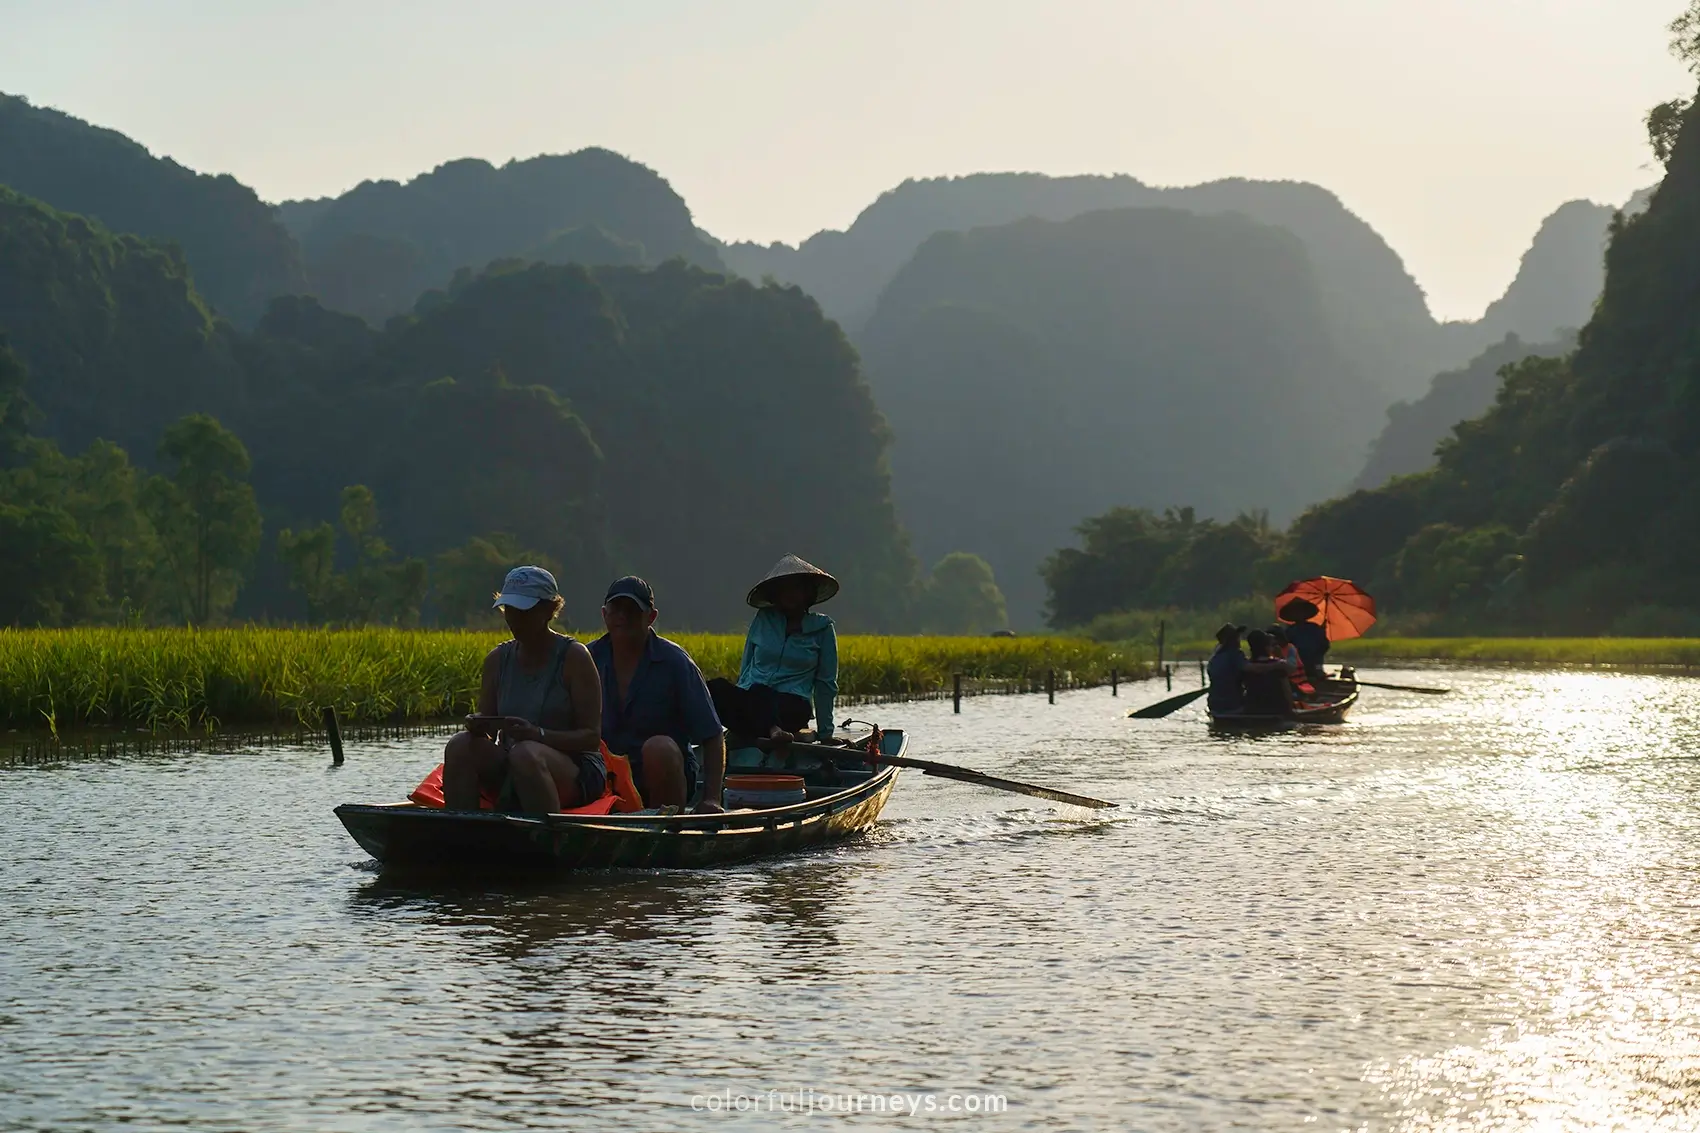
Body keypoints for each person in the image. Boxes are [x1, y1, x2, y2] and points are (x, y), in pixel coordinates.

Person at [442, 565, 607, 813]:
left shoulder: (574, 657)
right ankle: (463, 832)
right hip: (514, 758)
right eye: (510, 610)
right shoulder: (497, 659)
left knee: (526, 754)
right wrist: (478, 725)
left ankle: (547, 839)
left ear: (549, 609)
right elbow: (487, 727)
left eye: (524, 611)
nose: (515, 619)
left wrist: (537, 734)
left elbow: (591, 737)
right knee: (459, 745)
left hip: (575, 768)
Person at [588, 575, 727, 813]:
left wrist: (712, 798)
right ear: (604, 614)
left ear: (651, 617)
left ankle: (665, 825)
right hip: (606, 775)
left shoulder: (675, 662)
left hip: (664, 774)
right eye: (616, 609)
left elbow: (712, 736)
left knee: (659, 748)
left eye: (632, 610)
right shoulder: (587, 659)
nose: (623, 616)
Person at [709, 554, 839, 745]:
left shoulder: (823, 628)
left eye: (796, 587)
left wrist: (826, 734)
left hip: (791, 706)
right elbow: (746, 669)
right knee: (714, 688)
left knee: (761, 693)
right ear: (775, 594)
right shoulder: (763, 620)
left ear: (807, 592)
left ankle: (772, 729)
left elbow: (825, 685)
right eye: (784, 588)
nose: (790, 593)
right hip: (753, 698)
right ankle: (757, 729)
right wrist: (741, 702)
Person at [1206, 623, 1286, 716]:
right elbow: (1252, 668)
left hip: (1214, 705)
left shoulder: (1215, 657)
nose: (1239, 639)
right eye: (1237, 637)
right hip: (1231, 705)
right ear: (1232, 639)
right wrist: (1276, 665)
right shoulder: (1234, 653)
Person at [1242, 630, 1296, 716]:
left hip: (1253, 710)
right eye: (1271, 645)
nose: (1274, 648)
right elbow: (1287, 690)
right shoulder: (1279, 665)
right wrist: (1290, 710)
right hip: (1276, 709)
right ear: (1266, 648)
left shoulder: (1248, 666)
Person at [1280, 598, 1331, 684]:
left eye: (1300, 611)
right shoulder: (1289, 631)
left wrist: (1322, 632)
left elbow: (1324, 647)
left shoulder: (1315, 628)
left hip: (1314, 668)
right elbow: (1285, 650)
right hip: (1296, 669)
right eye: (1295, 611)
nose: (1298, 614)